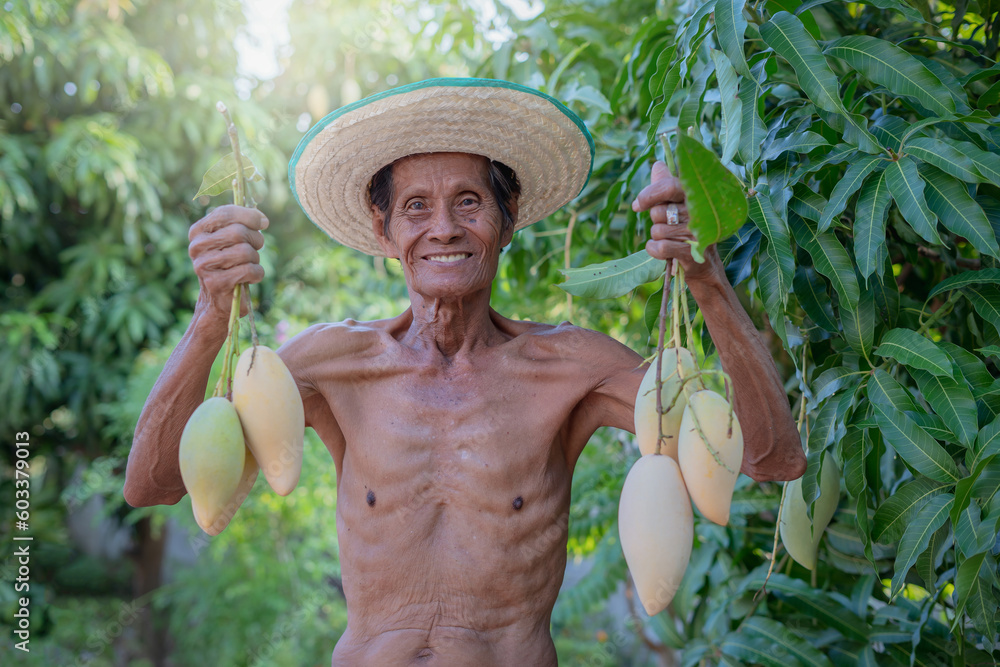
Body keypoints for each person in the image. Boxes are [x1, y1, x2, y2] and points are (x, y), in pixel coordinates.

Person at [124, 78, 805, 665]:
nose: (443, 227)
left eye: (470, 202)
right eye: (416, 206)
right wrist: (212, 316)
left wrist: (704, 277)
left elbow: (770, 457)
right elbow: (152, 484)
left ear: (507, 223)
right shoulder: (332, 365)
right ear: (383, 228)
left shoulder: (571, 369)